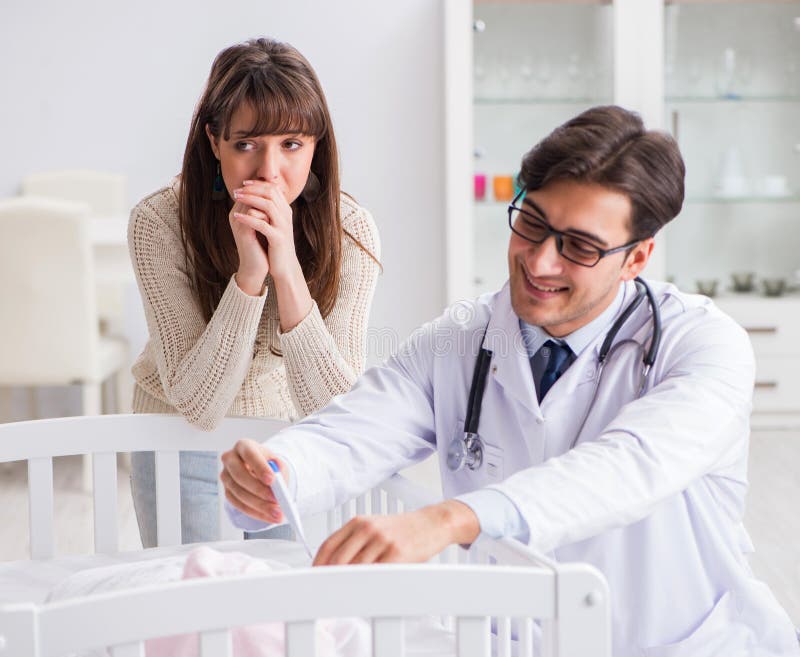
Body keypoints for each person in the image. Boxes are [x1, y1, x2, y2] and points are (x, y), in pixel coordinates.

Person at [220, 106, 799, 656]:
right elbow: (358, 426)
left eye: (580, 247)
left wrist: (451, 519)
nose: (540, 261)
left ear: (637, 258)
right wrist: (280, 470)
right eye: (531, 223)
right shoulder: (461, 338)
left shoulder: (701, 346)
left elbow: (630, 464)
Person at [128, 37, 381, 547]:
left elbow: (335, 408)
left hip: (285, 444)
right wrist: (248, 278)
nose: (269, 170)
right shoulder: (158, 221)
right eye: (246, 144)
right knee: (195, 608)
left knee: (277, 617)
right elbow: (199, 405)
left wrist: (285, 271)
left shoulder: (350, 230)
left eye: (291, 144)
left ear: (316, 146)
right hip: (178, 441)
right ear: (213, 141)